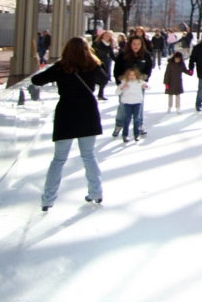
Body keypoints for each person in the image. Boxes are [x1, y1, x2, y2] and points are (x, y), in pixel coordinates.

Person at [32, 36, 108, 211]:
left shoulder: (61, 67)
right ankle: (96, 193)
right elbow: (104, 80)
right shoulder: (92, 65)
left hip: (66, 113)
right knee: (89, 156)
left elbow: (37, 81)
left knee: (58, 159)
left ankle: (48, 199)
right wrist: (96, 63)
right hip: (88, 113)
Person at [112, 35, 153, 137]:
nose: (136, 46)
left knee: (139, 105)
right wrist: (120, 82)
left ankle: (139, 125)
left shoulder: (146, 55)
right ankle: (119, 124)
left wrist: (144, 79)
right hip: (125, 84)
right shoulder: (123, 55)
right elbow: (117, 70)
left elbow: (149, 68)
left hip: (138, 85)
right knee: (123, 106)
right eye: (134, 44)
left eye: (138, 44)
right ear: (130, 44)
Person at [116, 68, 148, 142]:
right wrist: (122, 88)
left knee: (137, 119)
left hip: (137, 102)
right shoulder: (124, 83)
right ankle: (125, 135)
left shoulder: (139, 82)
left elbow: (148, 87)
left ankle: (136, 134)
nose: (132, 76)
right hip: (127, 103)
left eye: (134, 75)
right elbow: (117, 92)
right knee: (127, 119)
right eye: (130, 75)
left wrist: (145, 86)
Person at [92, 31, 116, 101]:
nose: (106, 37)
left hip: (106, 63)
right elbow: (92, 52)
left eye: (108, 36)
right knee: (94, 78)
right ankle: (91, 93)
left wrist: (119, 61)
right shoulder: (97, 43)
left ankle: (100, 94)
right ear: (102, 36)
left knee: (104, 79)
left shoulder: (109, 45)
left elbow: (112, 55)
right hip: (97, 63)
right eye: (105, 35)